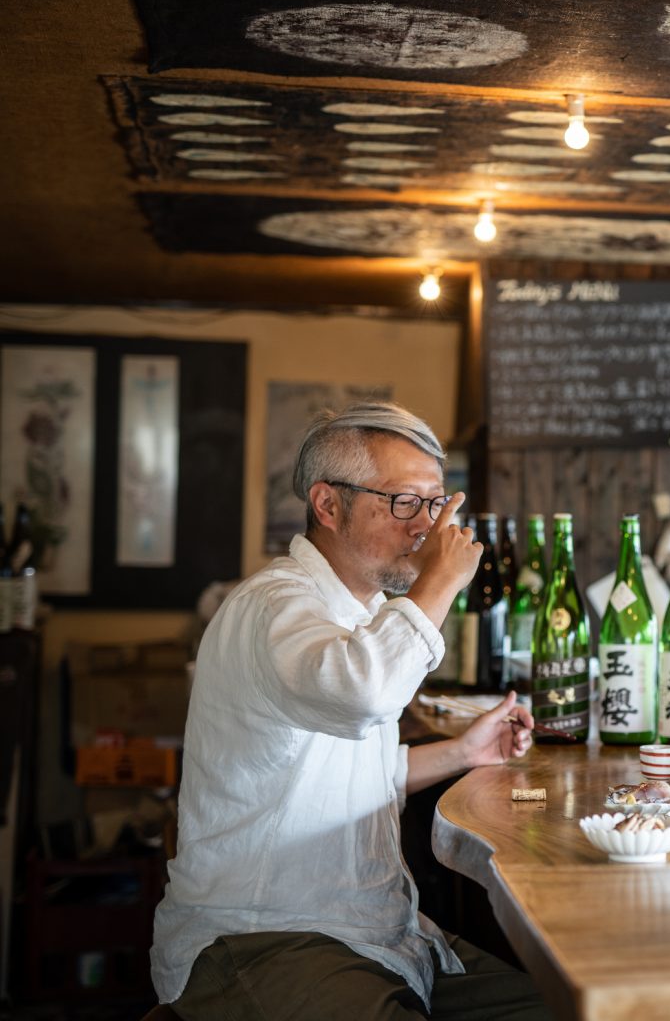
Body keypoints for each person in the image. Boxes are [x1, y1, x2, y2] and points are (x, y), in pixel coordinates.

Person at [152, 403, 549, 1020]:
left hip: (383, 934)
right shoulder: (274, 605)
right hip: (265, 938)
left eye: (436, 504)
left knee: (561, 1006)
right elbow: (364, 694)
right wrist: (440, 581)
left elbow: (351, 774)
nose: (428, 528)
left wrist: (465, 752)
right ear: (328, 505)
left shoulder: (361, 613)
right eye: (405, 502)